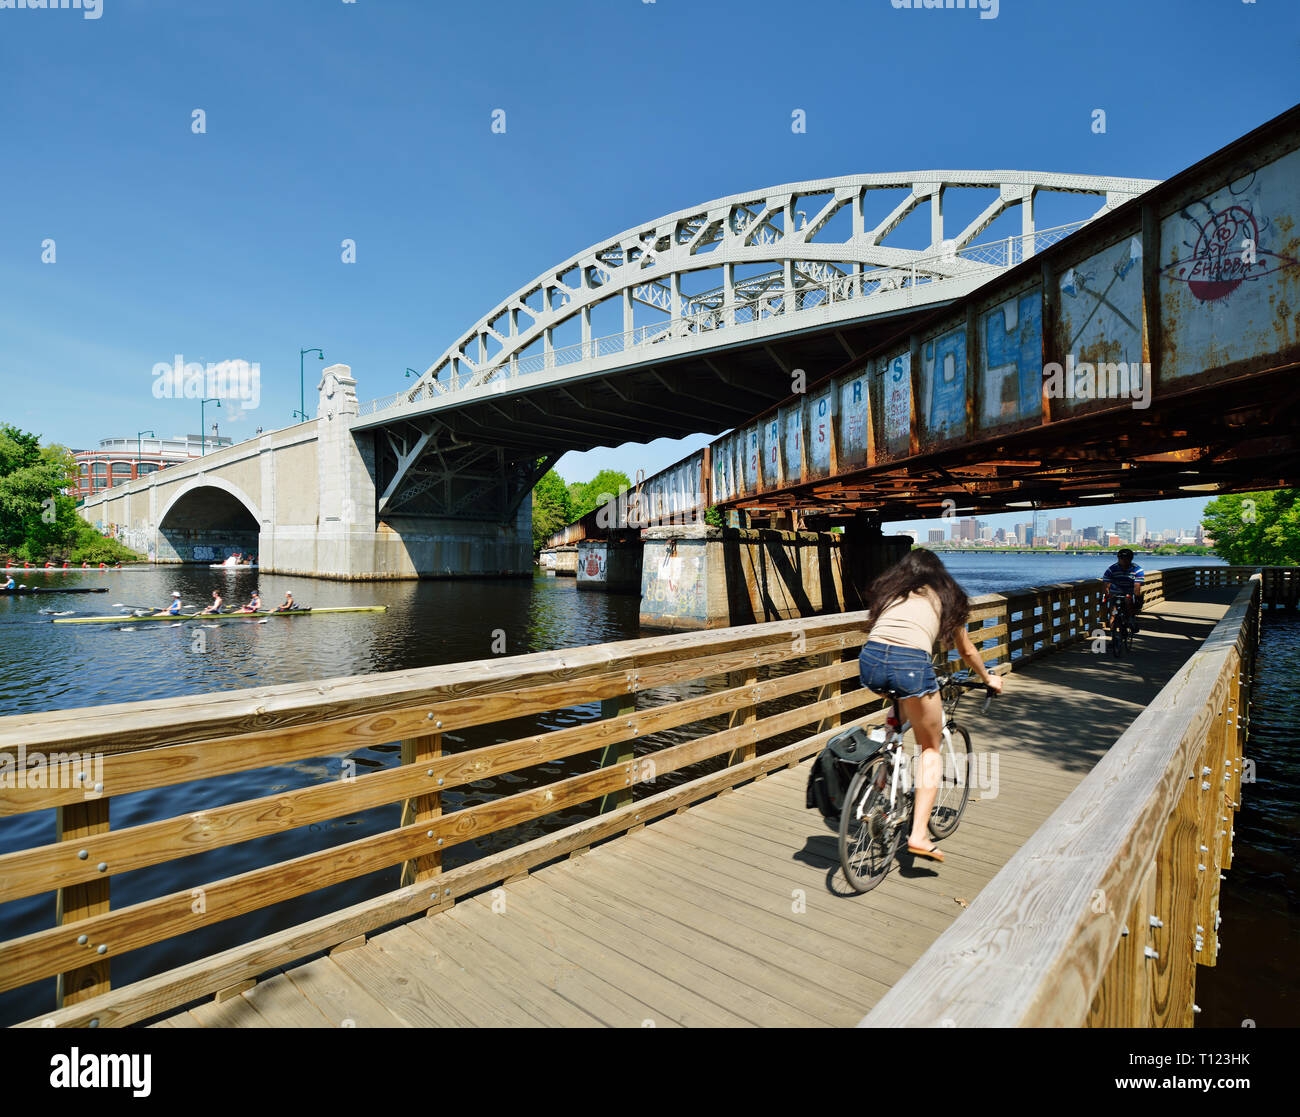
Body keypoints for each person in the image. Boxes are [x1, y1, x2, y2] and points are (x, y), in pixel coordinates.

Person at [857, 549, 1003, 863]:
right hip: (909, 665)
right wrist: (988, 678)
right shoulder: (945, 595)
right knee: (930, 749)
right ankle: (919, 835)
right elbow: (966, 651)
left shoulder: (892, 593)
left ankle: (880, 770)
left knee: (898, 709)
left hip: (869, 663)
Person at [1102, 548, 1145, 634]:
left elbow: (1137, 587)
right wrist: (1105, 596)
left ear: (1131, 559)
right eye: (1121, 558)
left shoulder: (1137, 570)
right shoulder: (1111, 569)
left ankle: (1131, 620)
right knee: (1113, 615)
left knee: (1128, 602)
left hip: (1128, 593)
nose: (1124, 561)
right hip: (1114, 594)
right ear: (1118, 559)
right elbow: (1106, 584)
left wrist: (1137, 599)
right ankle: (1113, 638)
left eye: (1126, 558)